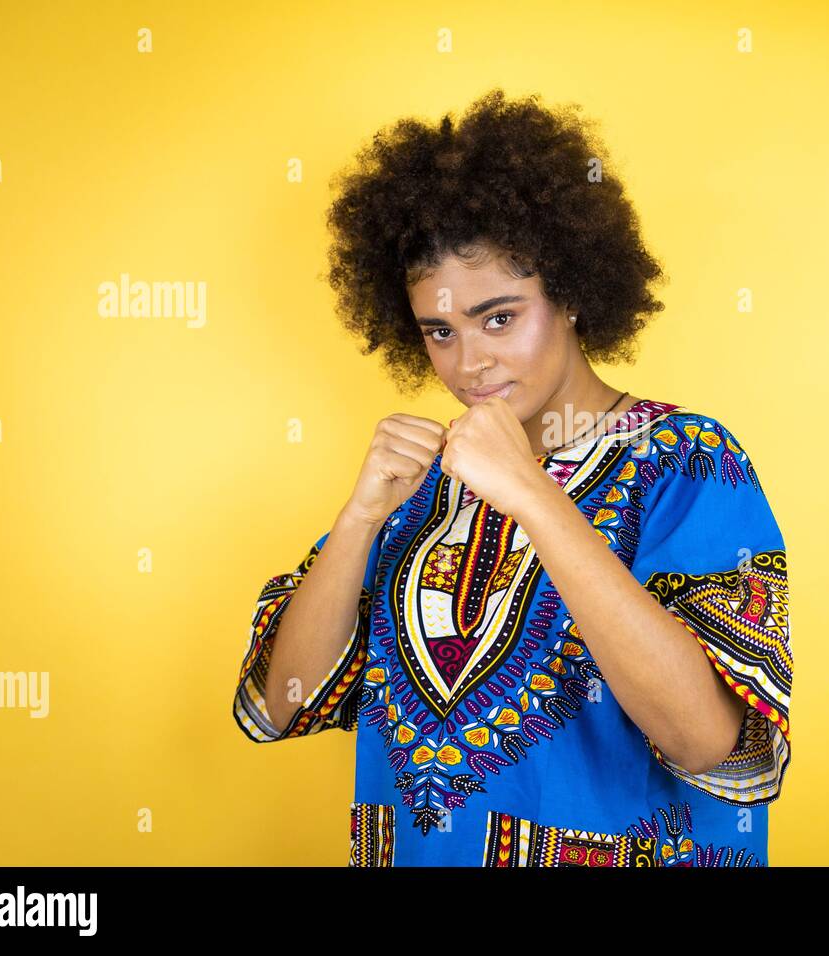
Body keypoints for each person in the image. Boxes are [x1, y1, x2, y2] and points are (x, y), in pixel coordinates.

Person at [232, 88, 792, 866]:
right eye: (440, 331)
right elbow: (279, 706)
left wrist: (532, 492)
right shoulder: (420, 489)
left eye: (499, 318)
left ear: (568, 292)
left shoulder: (687, 460)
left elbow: (711, 743)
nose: (470, 363)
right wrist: (361, 516)